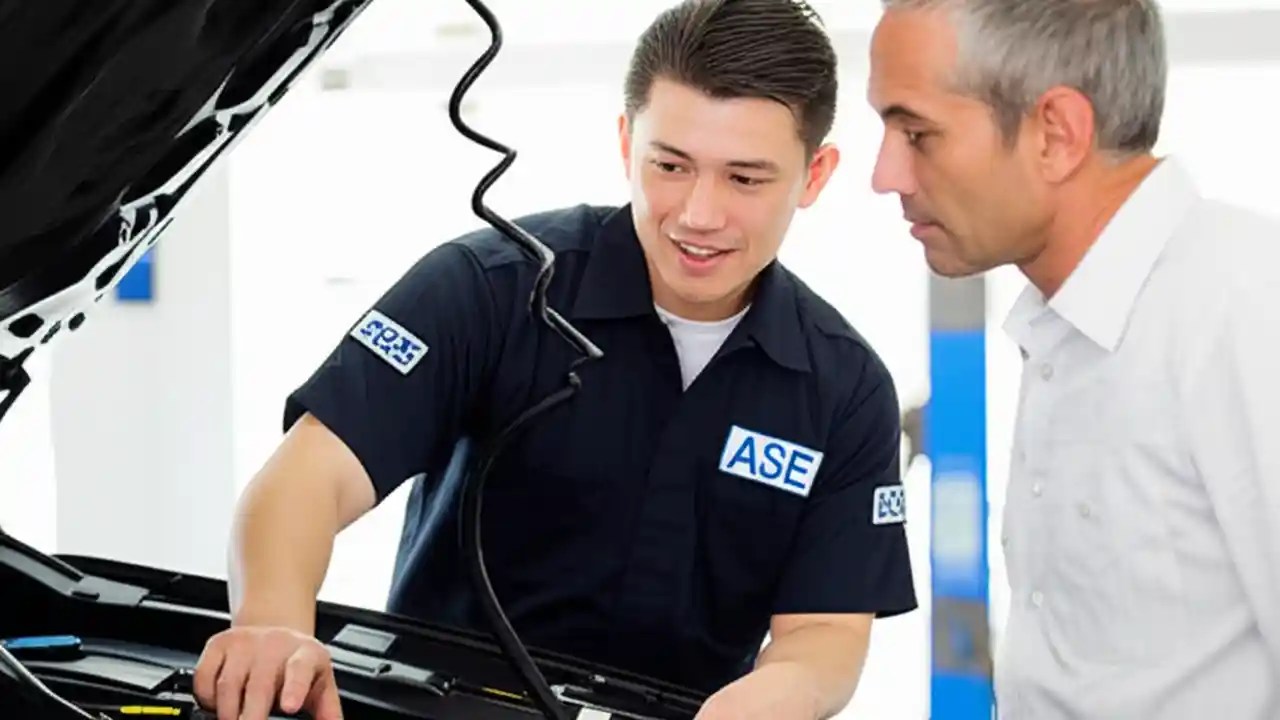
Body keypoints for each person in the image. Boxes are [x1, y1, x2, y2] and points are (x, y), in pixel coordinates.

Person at [193, 1, 918, 719]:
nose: (698, 213)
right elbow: (306, 478)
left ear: (815, 175)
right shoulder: (489, 289)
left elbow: (823, 635)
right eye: (670, 165)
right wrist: (274, 624)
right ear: (626, 141)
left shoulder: (844, 389)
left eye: (745, 179)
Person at [867, 0, 1280, 717]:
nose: (886, 175)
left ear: (1056, 134)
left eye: (917, 133)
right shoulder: (1066, 324)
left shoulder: (1244, 305)